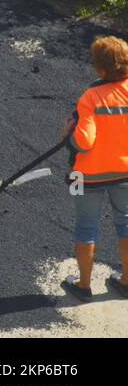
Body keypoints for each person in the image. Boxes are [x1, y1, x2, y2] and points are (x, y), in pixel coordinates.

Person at [61, 36, 128, 302]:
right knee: (126, 223)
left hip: (85, 176)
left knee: (86, 227)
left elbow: (84, 141)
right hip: (125, 172)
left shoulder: (90, 97)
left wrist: (70, 132)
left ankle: (83, 285)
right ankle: (126, 281)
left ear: (100, 69)